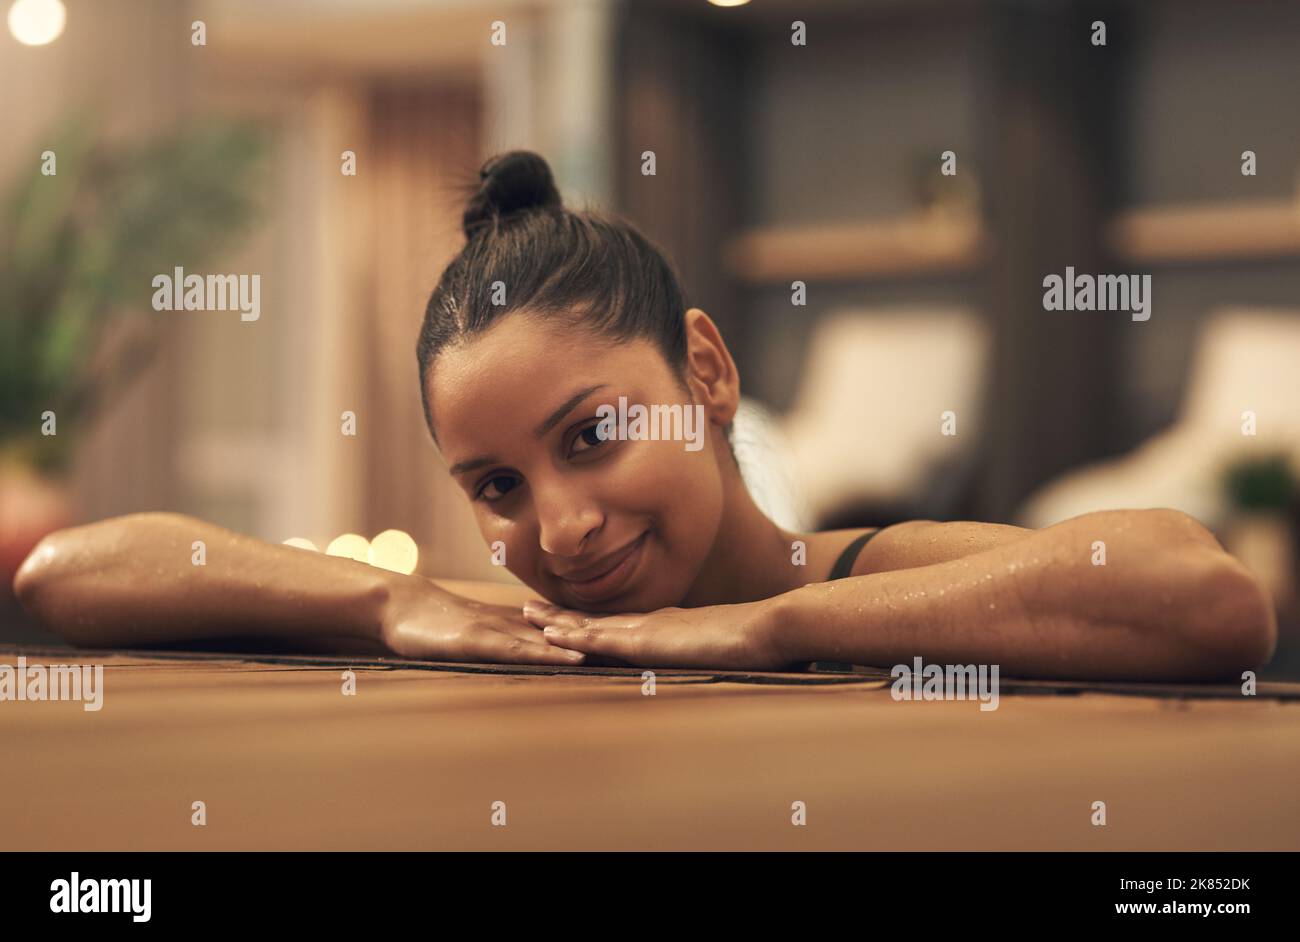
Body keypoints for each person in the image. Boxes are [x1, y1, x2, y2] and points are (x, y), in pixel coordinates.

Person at [12, 152, 1276, 681]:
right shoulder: (528, 625)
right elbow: (72, 574)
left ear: (706, 377)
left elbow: (1207, 594)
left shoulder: (845, 573)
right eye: (494, 485)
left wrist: (768, 628)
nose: (557, 527)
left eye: (591, 436)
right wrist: (391, 603)